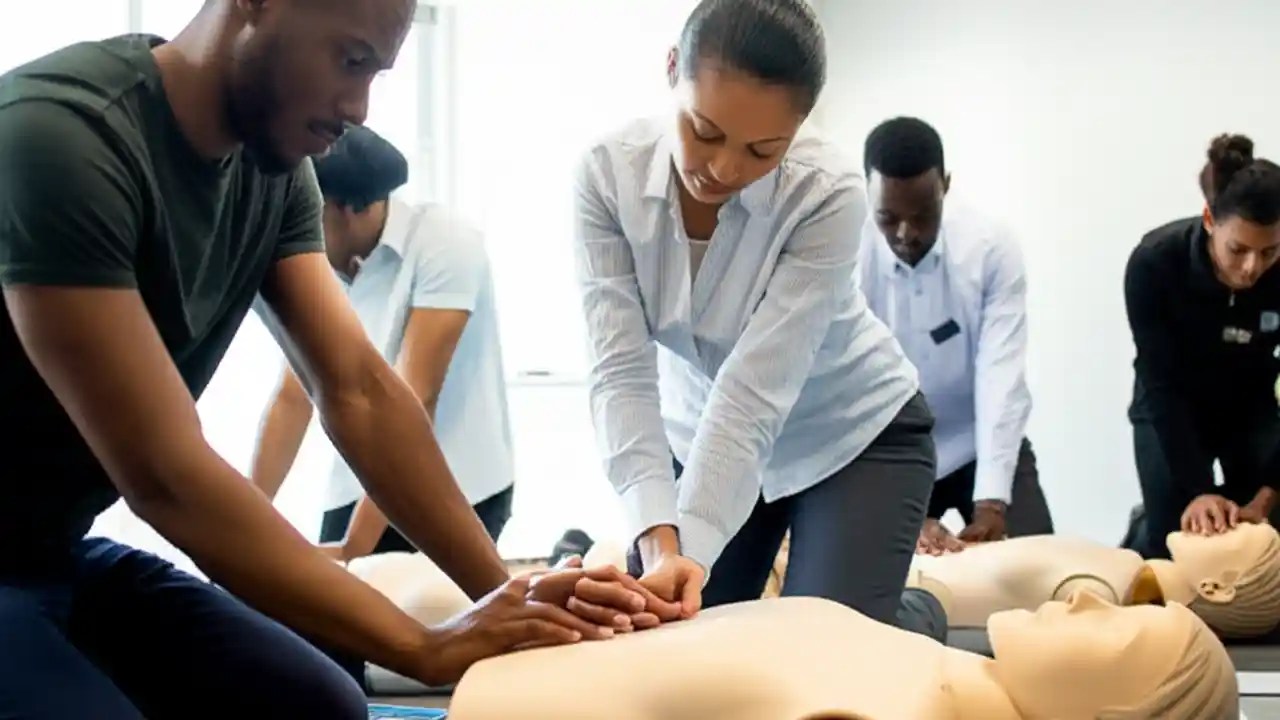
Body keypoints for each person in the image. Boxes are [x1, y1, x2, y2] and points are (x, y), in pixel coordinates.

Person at [0, 2, 676, 717]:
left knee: (325, 705)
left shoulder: (276, 174)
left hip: (58, 553)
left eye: (376, 73)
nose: (357, 108)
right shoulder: (61, 139)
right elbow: (164, 475)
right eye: (350, 61)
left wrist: (508, 595)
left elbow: (359, 392)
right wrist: (422, 646)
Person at [573, 0, 941, 636]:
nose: (724, 170)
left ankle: (909, 620)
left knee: (819, 649)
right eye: (705, 131)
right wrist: (665, 548)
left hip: (853, 436)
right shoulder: (608, 177)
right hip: (702, 435)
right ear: (671, 71)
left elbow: (754, 392)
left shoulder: (826, 193)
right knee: (676, 637)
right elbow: (621, 375)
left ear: (800, 128)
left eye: (764, 149)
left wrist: (691, 549)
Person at [250, 125, 516, 563]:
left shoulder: (446, 243)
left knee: (400, 609)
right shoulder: (322, 263)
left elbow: (415, 400)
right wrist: (246, 525)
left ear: (341, 208)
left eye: (305, 214)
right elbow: (292, 398)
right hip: (361, 478)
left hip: (458, 484)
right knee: (323, 611)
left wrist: (353, 551)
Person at [857, 117, 1054, 555]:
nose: (905, 234)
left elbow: (1000, 374)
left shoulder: (990, 246)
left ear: (945, 185)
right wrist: (895, 505)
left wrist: (992, 500)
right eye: (888, 218)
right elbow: (843, 388)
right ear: (868, 196)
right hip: (888, 449)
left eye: (922, 216)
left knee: (1039, 567)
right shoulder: (845, 250)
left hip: (978, 440)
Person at [1123, 133, 1280, 560]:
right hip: (1171, 403)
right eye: (1238, 249)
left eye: (1270, 252)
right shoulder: (1154, 262)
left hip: (1250, 405)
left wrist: (1271, 487)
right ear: (1210, 219)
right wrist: (1198, 490)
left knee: (1268, 531)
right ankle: (1145, 528)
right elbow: (1158, 380)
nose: (1252, 268)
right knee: (1173, 538)